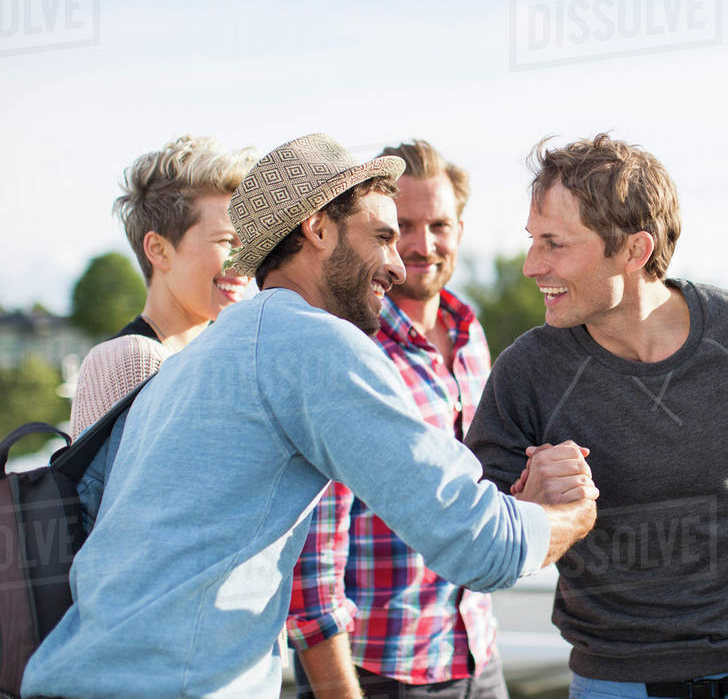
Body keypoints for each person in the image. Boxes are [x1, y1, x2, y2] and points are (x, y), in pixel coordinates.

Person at [21, 133, 598, 699]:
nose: (397, 265)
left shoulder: (204, 356)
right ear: (317, 228)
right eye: (381, 236)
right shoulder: (315, 345)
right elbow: (480, 545)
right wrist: (567, 514)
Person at [465, 134, 728, 699]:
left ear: (634, 251)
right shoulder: (527, 371)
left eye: (554, 244)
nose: (533, 265)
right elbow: (478, 535)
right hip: (614, 684)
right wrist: (528, 507)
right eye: (533, 241)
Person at [288, 140, 509, 698]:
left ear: (460, 228)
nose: (422, 245)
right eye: (400, 227)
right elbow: (311, 547)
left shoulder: (469, 333)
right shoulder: (345, 344)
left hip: (477, 654)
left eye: (440, 224)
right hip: (378, 671)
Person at [70, 134, 257, 436]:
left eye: (249, 243)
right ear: (158, 249)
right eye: (226, 241)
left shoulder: (208, 360)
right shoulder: (134, 359)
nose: (245, 261)